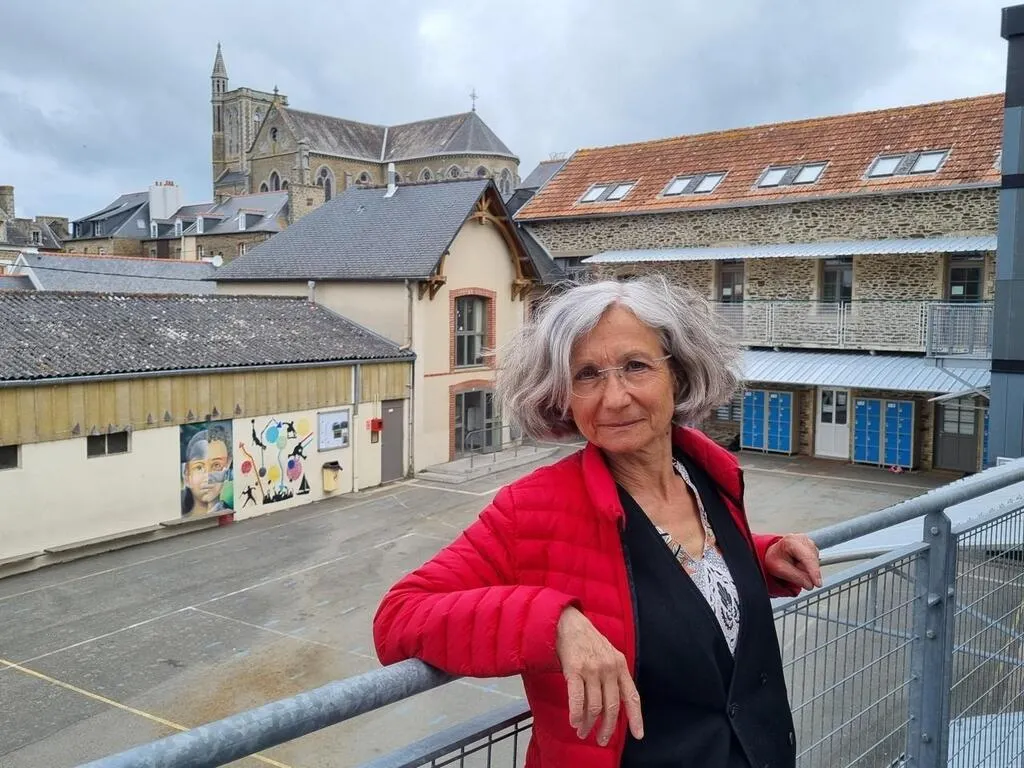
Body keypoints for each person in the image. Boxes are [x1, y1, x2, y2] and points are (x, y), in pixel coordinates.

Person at [373, 275, 822, 768]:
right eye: (587, 374)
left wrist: (757, 557)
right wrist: (554, 623)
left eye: (635, 366)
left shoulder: (707, 477)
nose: (614, 397)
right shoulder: (532, 510)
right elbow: (399, 616)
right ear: (563, 393)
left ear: (679, 373)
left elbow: (672, 573)